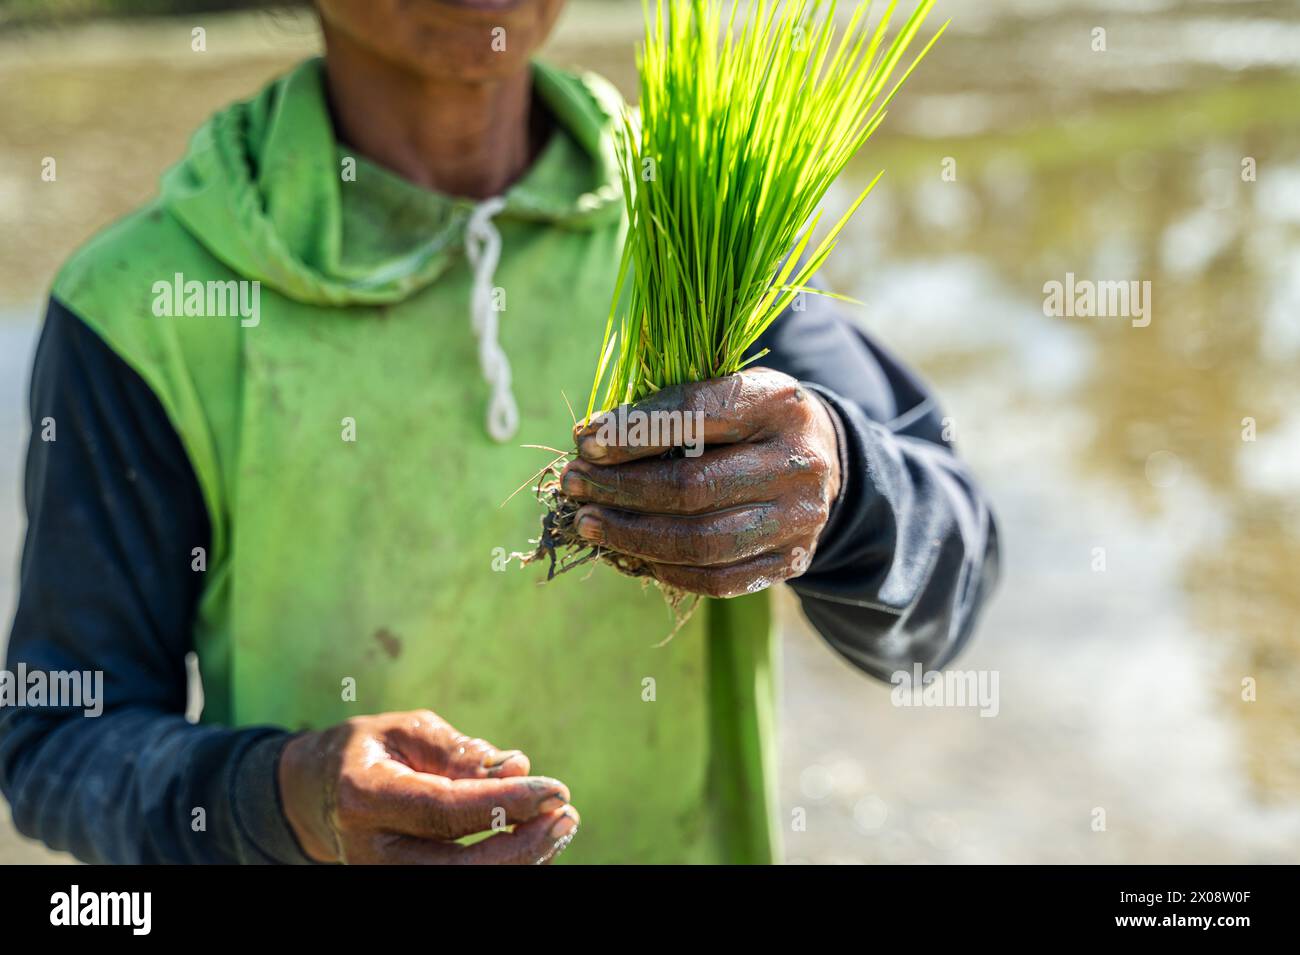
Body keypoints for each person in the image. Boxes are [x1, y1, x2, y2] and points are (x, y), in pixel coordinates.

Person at [0, 0, 999, 864]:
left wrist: (845, 484)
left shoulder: (702, 213)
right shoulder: (147, 308)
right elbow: (54, 739)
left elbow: (938, 618)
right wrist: (281, 798)